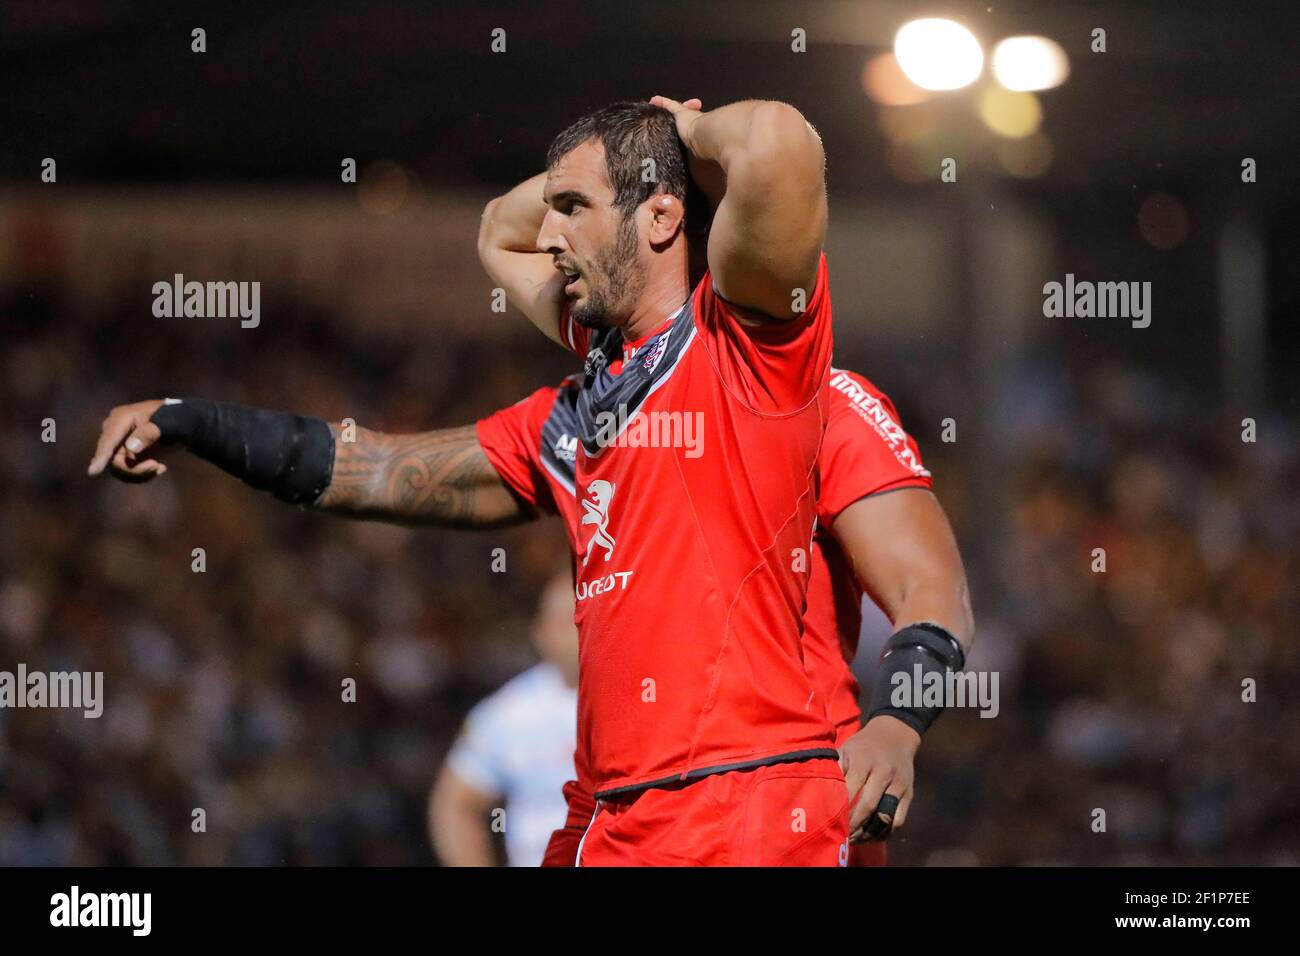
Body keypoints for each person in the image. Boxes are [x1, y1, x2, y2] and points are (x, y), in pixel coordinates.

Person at [430, 572, 579, 867]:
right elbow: (455, 805)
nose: (578, 631)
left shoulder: (642, 700)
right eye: (566, 622)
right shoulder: (507, 714)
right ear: (541, 631)